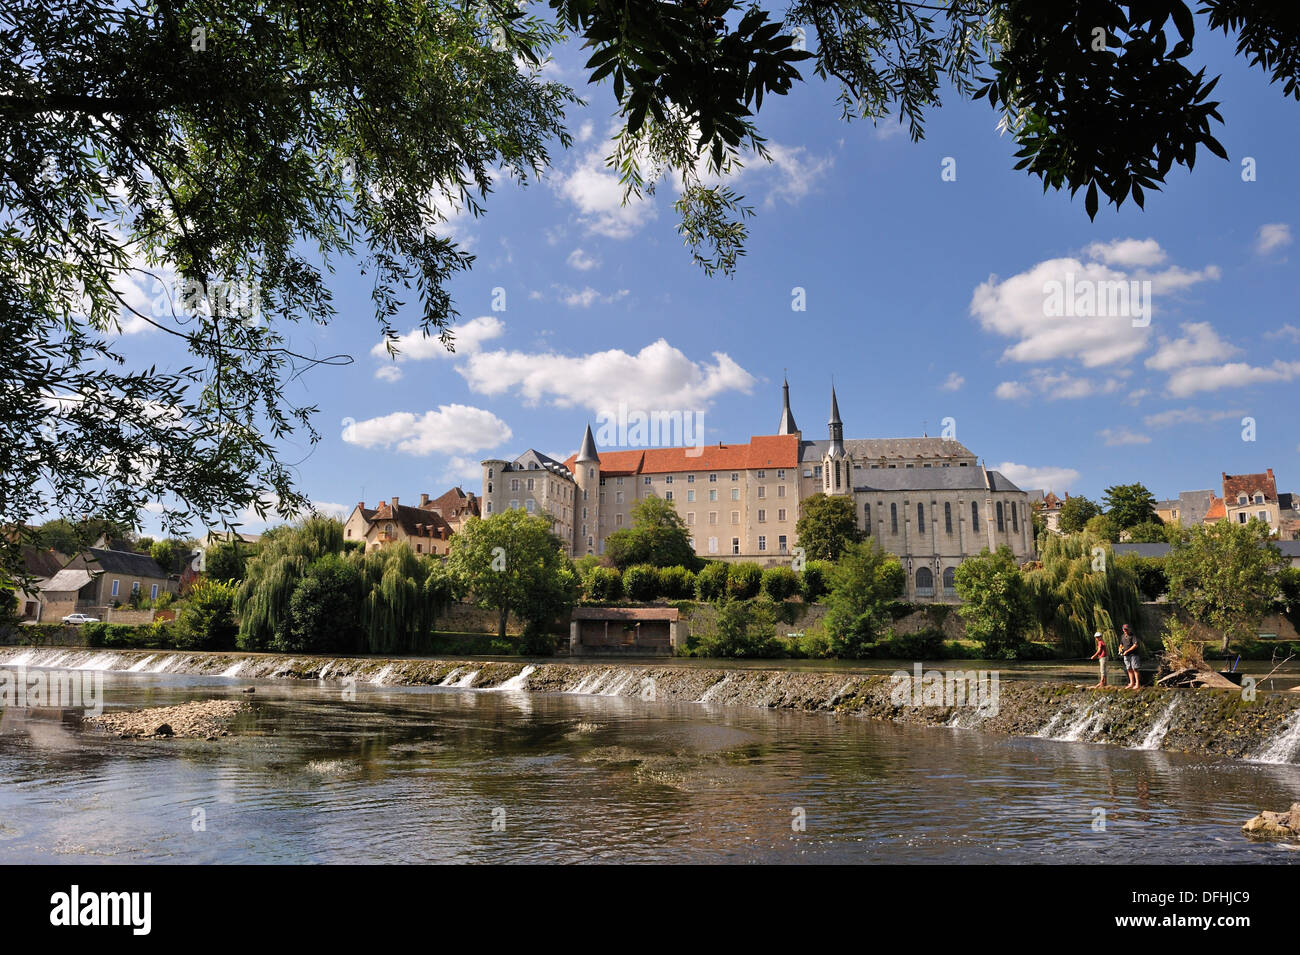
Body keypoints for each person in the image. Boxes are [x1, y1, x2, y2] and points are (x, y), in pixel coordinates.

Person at [1118, 624, 1141, 690]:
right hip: (1126, 656)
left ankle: (1137, 684)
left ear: (1129, 629)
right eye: (1124, 629)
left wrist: (1127, 651)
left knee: (1135, 669)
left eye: (1126, 629)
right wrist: (1120, 649)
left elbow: (1135, 645)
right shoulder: (1122, 636)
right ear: (1123, 629)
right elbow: (1121, 644)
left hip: (1134, 655)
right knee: (1129, 669)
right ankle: (1131, 683)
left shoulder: (1133, 636)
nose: (1125, 631)